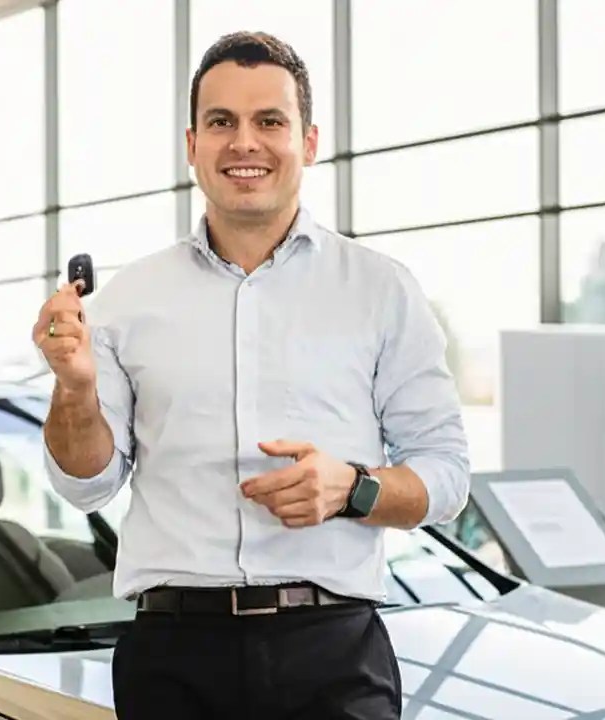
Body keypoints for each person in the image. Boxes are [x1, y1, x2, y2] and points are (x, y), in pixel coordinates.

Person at [32, 30, 469, 720]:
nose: (245, 143)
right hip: (174, 660)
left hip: (334, 655)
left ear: (310, 140)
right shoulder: (127, 300)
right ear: (192, 144)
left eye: (270, 121)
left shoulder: (381, 289)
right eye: (221, 122)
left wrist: (352, 489)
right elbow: (84, 482)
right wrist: (75, 389)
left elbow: (445, 476)